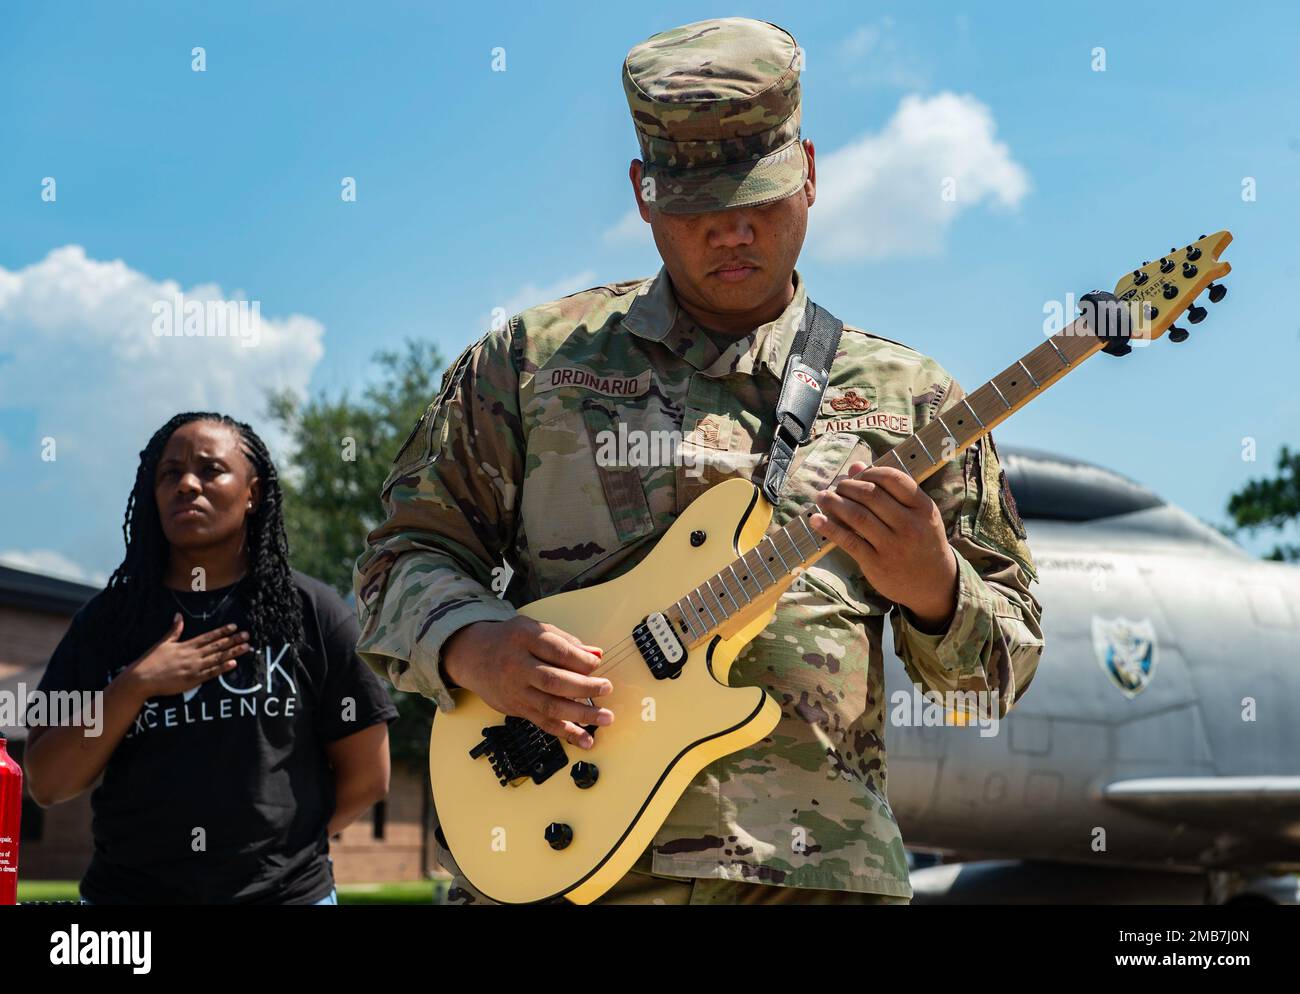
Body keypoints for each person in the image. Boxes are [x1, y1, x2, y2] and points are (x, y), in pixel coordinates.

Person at [353, 16, 1044, 905]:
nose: (733, 233)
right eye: (700, 208)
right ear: (643, 194)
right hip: (551, 863)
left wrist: (936, 587)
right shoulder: (529, 363)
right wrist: (474, 646)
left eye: (760, 199)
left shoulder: (912, 399)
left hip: (813, 877)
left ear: (812, 178)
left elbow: (995, 684)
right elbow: (397, 563)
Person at [25, 412, 398, 904]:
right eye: (169, 473)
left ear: (253, 493)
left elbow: (369, 776)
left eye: (210, 470)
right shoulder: (106, 625)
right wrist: (135, 686)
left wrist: (282, 859)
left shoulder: (314, 613)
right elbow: (47, 782)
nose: (187, 485)